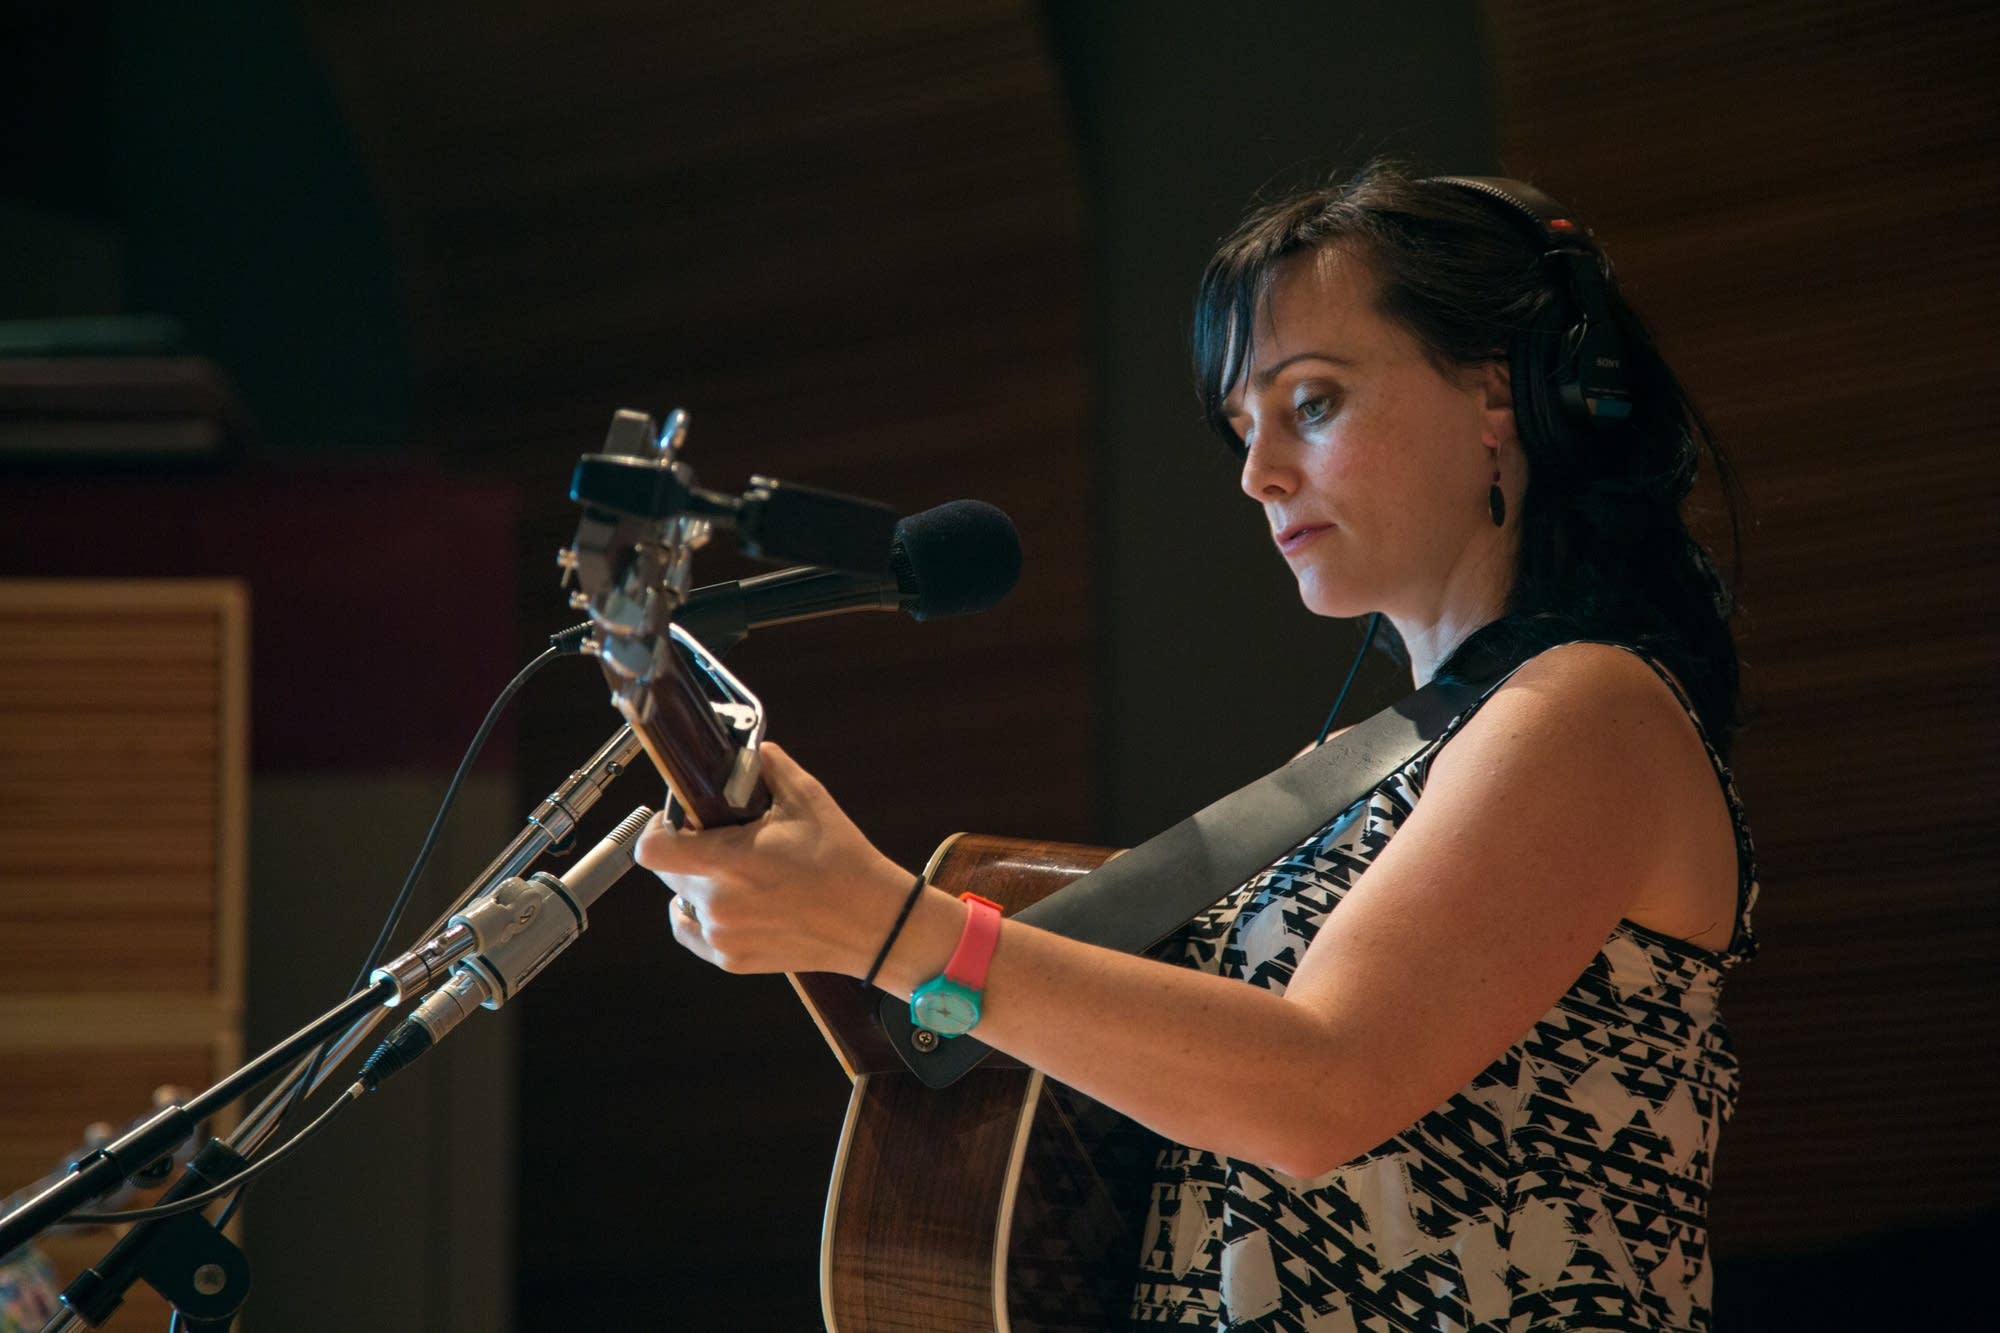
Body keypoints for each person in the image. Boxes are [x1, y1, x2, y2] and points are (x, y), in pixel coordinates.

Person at [634, 161, 1758, 1331]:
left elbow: (1316, 1088)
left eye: (1309, 402)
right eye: (1240, 427)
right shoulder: (1409, 760)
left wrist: (884, 925)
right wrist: (838, 924)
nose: (1256, 474)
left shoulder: (1591, 710)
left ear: (1504, 394)